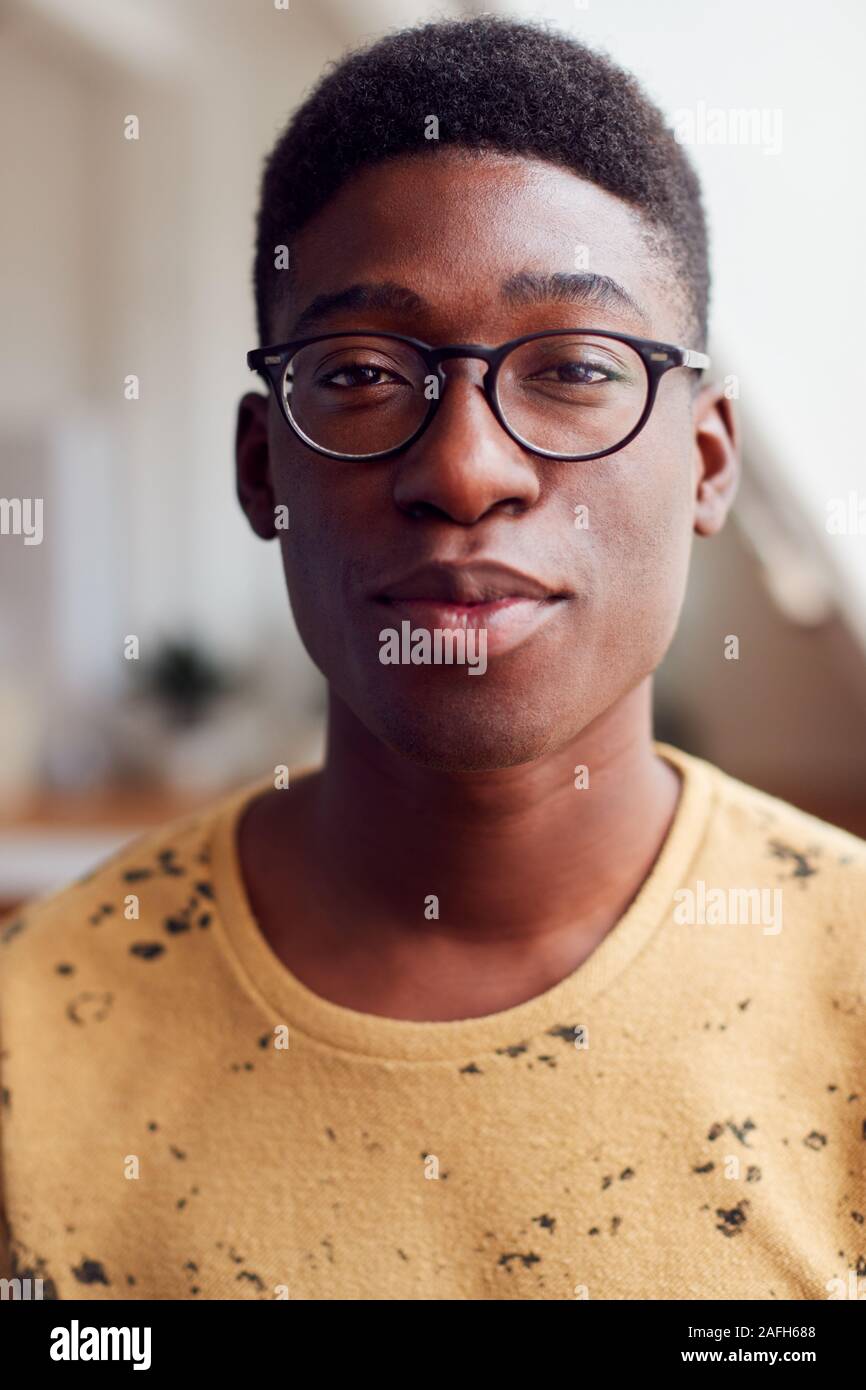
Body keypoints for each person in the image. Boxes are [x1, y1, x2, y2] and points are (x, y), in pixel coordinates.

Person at [2, 16, 863, 1303]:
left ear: (706, 461)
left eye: (571, 366)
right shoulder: (34, 1038)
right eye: (361, 372)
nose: (463, 468)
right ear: (261, 469)